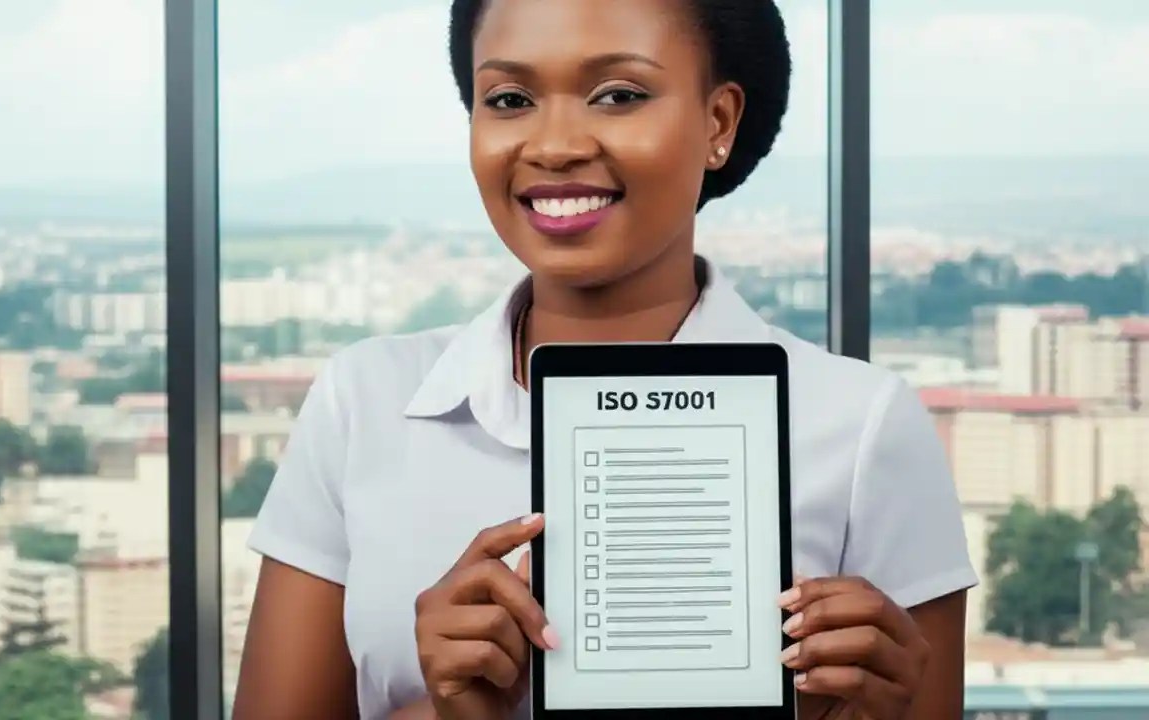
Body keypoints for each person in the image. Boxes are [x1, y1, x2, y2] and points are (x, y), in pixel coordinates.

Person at [232, 0, 977, 718]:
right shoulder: (365, 400)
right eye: (510, 98)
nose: (553, 145)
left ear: (718, 122)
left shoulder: (861, 424)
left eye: (618, 94)